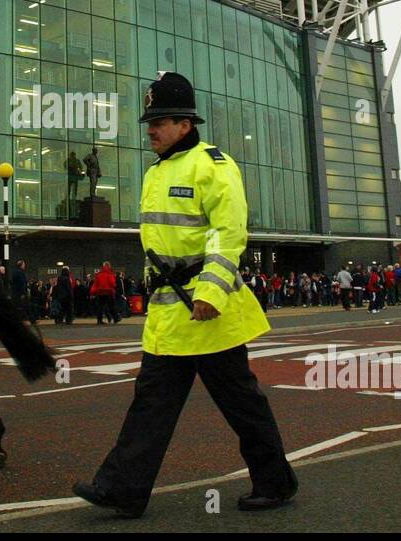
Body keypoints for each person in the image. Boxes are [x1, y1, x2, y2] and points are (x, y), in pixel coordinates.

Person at [73, 71, 298, 517]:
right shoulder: (157, 172)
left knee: (240, 403)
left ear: (186, 125)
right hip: (170, 313)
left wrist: (211, 292)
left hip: (207, 312)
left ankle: (275, 481)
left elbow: (228, 234)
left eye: (161, 120)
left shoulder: (214, 166)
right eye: (150, 121)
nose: (152, 129)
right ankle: (123, 488)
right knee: (151, 404)